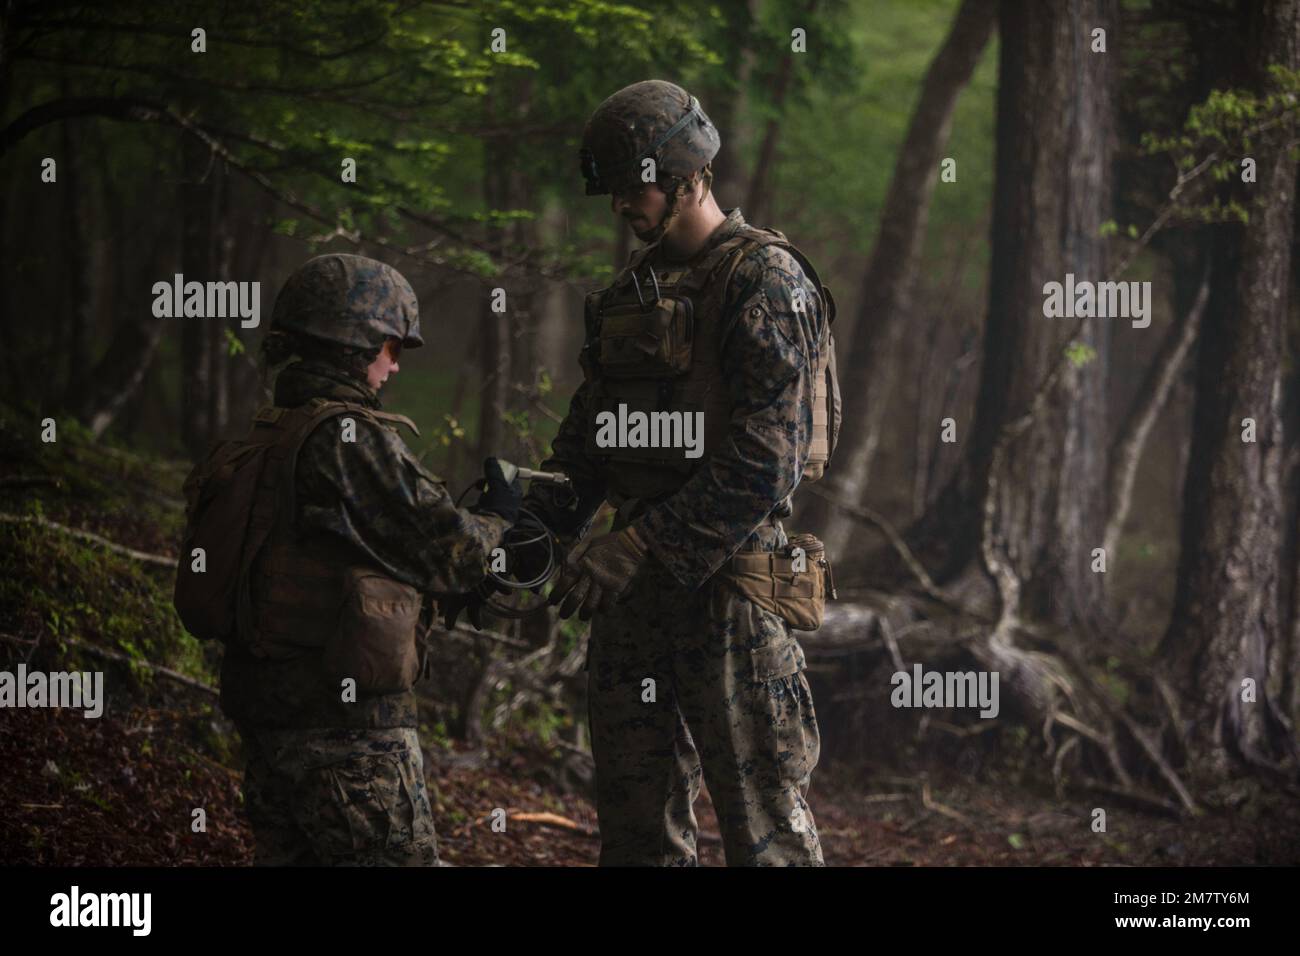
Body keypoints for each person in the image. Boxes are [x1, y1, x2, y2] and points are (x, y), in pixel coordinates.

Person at [517, 80, 836, 865]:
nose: (624, 205)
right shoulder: (633, 291)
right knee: (635, 835)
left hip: (731, 590)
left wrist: (642, 544)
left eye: (636, 186)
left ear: (689, 175)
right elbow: (590, 441)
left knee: (766, 834)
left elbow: (769, 456)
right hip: (633, 597)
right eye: (616, 191)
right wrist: (524, 527)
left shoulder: (767, 281)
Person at [217, 252, 521, 865]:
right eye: (389, 345)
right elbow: (455, 552)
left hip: (269, 716)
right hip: (345, 730)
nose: (394, 364)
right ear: (353, 344)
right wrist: (505, 520)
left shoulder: (270, 430)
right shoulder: (348, 438)